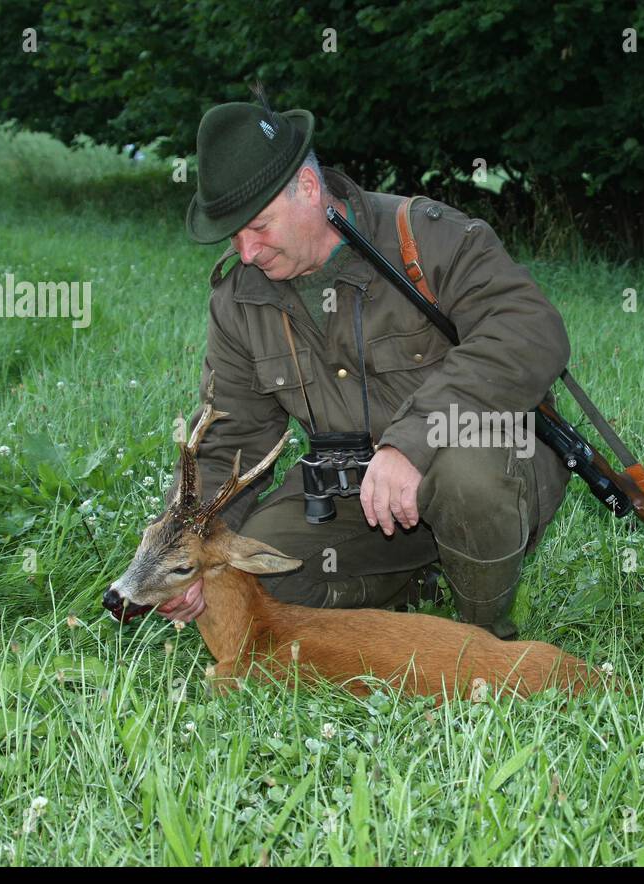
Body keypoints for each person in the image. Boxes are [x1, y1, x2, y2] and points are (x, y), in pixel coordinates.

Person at [156, 98, 573, 639]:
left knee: (467, 471)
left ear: (307, 189)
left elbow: (529, 331)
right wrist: (184, 548)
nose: (248, 251)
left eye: (258, 226)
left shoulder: (427, 238)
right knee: (251, 580)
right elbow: (229, 437)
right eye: (233, 236)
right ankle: (409, 583)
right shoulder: (240, 300)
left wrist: (411, 442)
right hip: (358, 497)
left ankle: (486, 637)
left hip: (482, 465)